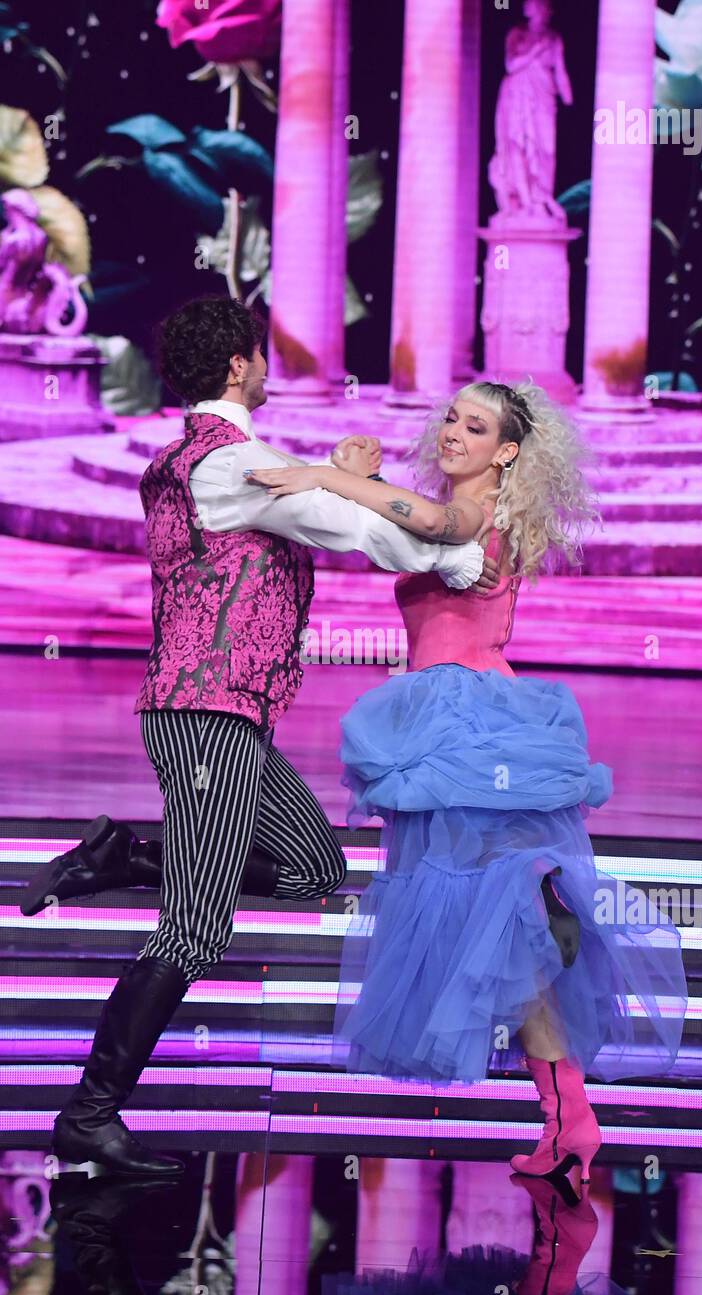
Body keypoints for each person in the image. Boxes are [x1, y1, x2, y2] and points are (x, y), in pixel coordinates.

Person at [36, 296, 496, 1177]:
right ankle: (89, 1115)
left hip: (223, 712)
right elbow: (367, 536)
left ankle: (127, 855)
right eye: (260, 353)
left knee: (315, 869)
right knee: (196, 929)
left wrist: (329, 469)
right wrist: (450, 553)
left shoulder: (191, 457)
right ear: (244, 365)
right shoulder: (237, 461)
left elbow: (298, 504)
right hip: (205, 712)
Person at [247, 379, 688, 1191]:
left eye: (474, 426)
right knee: (509, 947)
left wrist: (324, 474)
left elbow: (435, 522)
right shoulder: (461, 512)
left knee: (489, 908)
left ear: (507, 451)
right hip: (462, 717)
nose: (452, 431)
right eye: (450, 417)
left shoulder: (484, 517)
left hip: (463, 719)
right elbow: (401, 522)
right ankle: (569, 1121)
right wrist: (354, 471)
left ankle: (535, 894)